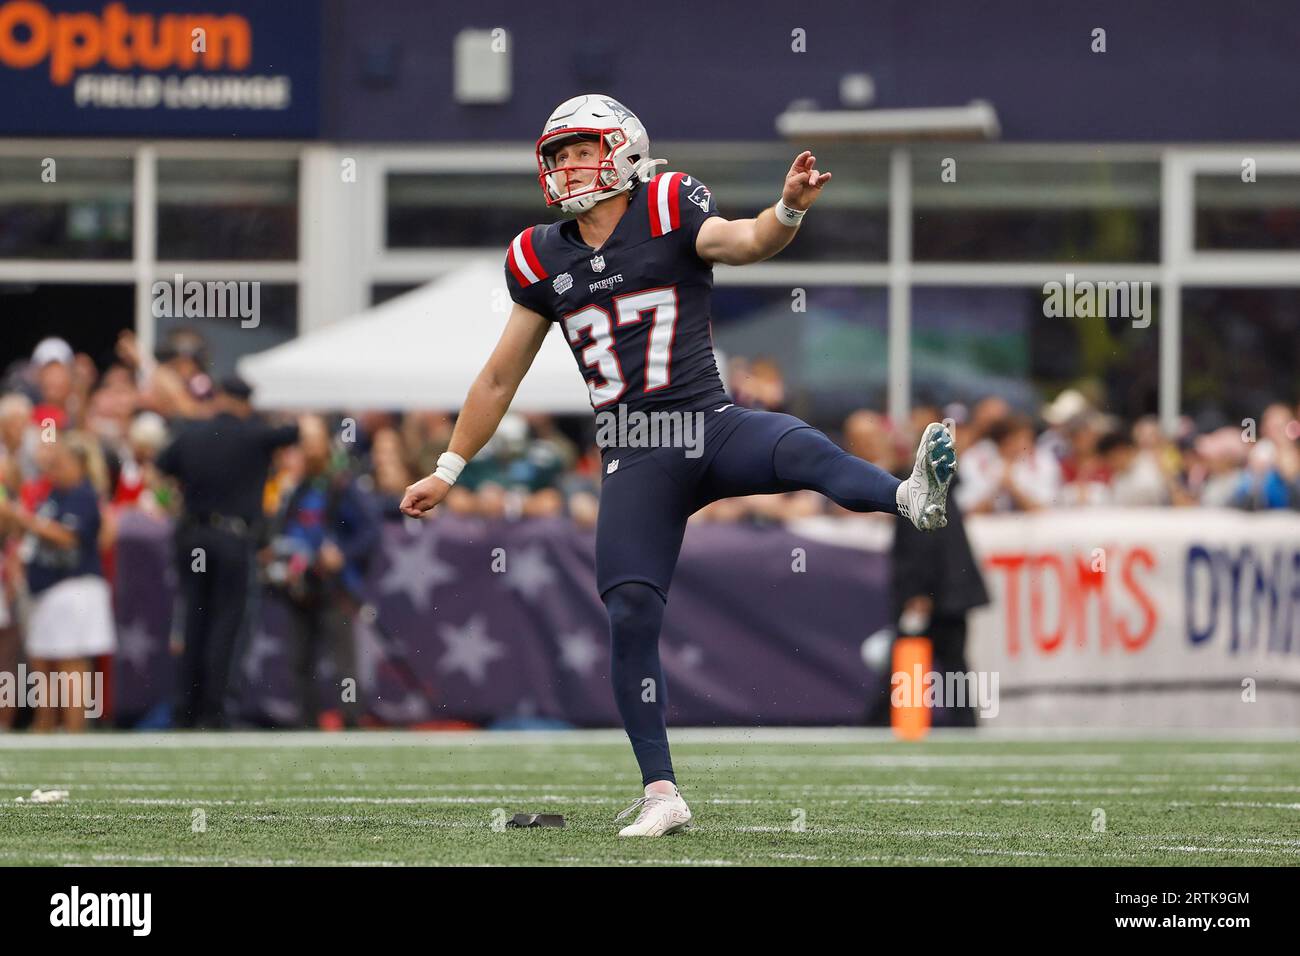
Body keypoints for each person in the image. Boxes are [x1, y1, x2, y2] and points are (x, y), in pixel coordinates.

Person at [399, 94, 957, 837]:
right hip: (633, 451)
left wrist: (787, 209)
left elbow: (744, 241)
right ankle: (661, 789)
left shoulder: (668, 202)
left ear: (626, 151)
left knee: (797, 446)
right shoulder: (539, 255)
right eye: (558, 155)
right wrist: (448, 466)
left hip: (706, 421)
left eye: (582, 150)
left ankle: (907, 495)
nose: (568, 167)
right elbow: (501, 376)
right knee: (630, 611)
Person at [155, 376, 300, 729]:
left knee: (194, 620)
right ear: (246, 402)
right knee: (227, 625)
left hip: (193, 535)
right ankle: (214, 710)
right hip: (233, 539)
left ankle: (185, 709)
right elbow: (294, 431)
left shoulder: (192, 434)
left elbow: (161, 465)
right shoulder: (253, 434)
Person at [262, 416, 379, 729]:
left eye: (313, 439)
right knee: (300, 658)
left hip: (333, 584)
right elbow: (281, 529)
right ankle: (306, 721)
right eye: (303, 440)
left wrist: (343, 554)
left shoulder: (341, 484)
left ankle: (352, 719)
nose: (308, 447)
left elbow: (370, 531)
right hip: (300, 583)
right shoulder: (292, 486)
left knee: (343, 659)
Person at [0, 433, 115, 731]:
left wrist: (21, 517)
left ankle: (76, 728)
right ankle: (44, 724)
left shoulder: (83, 494)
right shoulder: (54, 494)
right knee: (42, 658)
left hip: (73, 585)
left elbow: (67, 537)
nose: (54, 470)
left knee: (70, 661)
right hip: (47, 587)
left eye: (61, 464)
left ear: (80, 465)